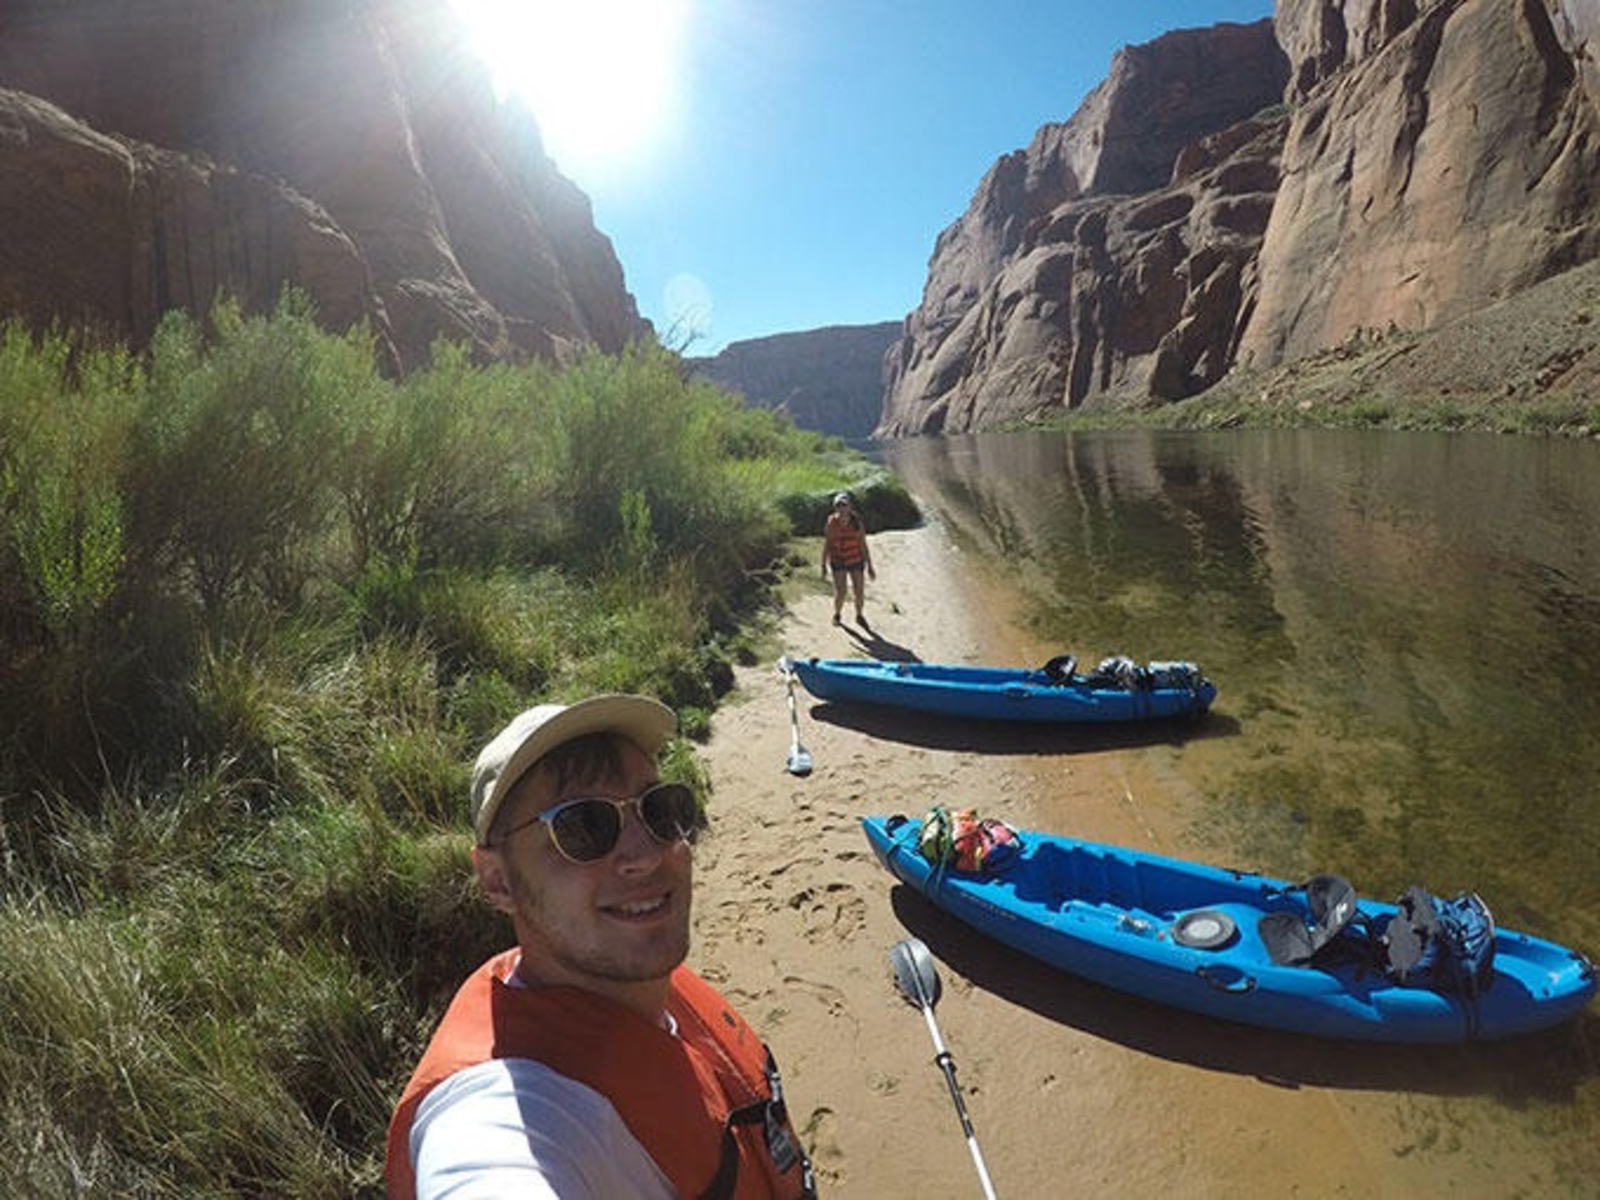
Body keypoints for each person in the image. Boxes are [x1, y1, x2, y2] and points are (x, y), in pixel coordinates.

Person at [385, 695, 816, 1199]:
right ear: (498, 879)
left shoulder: (636, 981)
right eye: (584, 826)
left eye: (658, 810)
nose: (645, 854)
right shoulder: (502, 1117)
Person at [820, 491, 874, 626]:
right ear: (835, 508)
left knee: (859, 592)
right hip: (838, 560)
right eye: (839, 505)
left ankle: (859, 615)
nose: (842, 508)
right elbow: (827, 544)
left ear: (850, 507)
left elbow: (863, 544)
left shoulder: (857, 523)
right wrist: (823, 565)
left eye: (844, 505)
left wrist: (870, 566)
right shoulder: (831, 522)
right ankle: (837, 614)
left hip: (855, 559)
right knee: (841, 592)